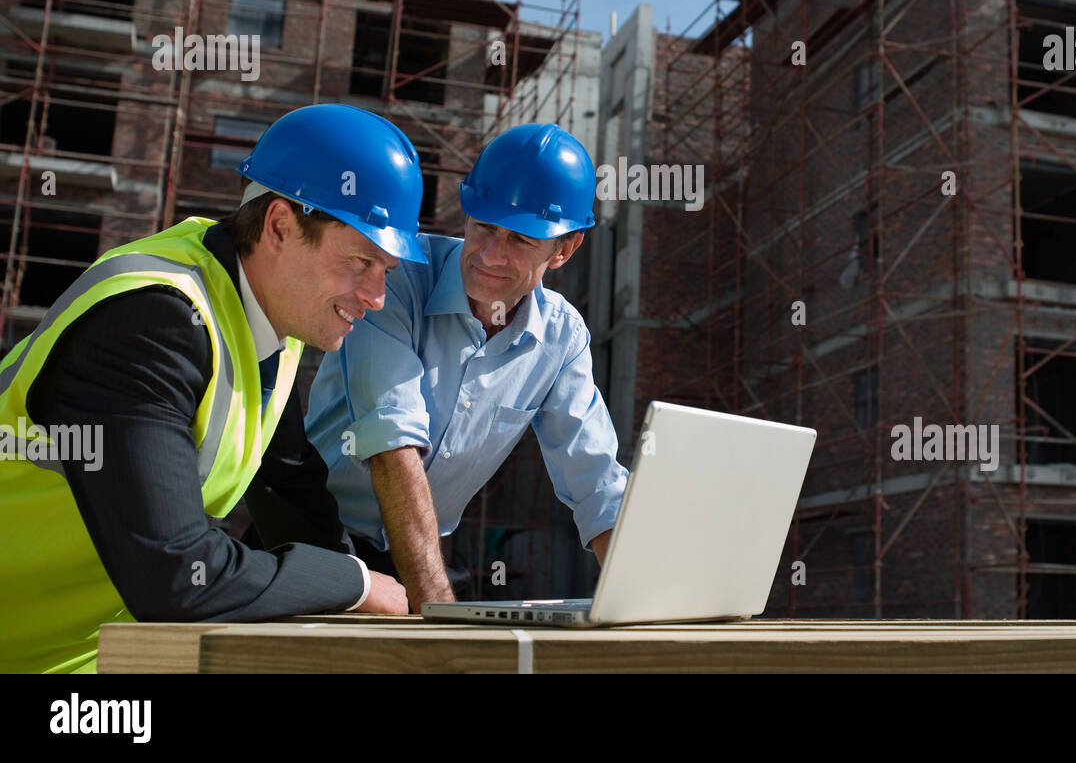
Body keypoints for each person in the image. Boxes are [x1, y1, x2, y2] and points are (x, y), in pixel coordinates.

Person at [0, 103, 425, 674]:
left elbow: (291, 490)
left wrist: (380, 601)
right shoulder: (150, 321)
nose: (376, 297)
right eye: (360, 261)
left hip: (70, 660)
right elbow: (174, 574)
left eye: (387, 272)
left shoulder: (272, 319)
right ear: (279, 226)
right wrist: (353, 583)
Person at [306, 122, 628, 607]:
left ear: (564, 249)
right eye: (483, 227)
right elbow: (392, 442)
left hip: (420, 553)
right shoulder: (394, 279)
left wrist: (650, 601)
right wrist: (436, 611)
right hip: (309, 533)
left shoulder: (562, 338)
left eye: (520, 239)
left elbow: (597, 481)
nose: (490, 255)